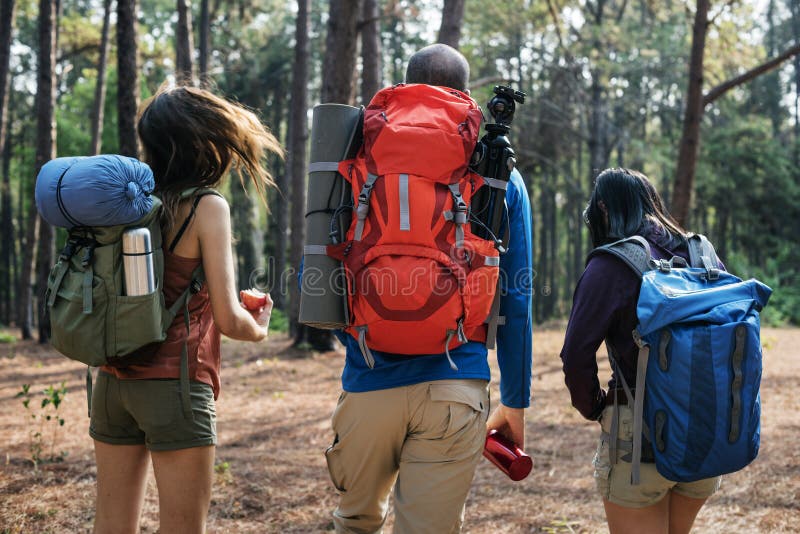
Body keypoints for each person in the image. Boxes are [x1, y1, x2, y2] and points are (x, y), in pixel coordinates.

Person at [323, 43, 534, 533]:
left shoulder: (356, 158)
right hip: (456, 387)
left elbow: (315, 270)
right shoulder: (498, 173)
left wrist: (363, 335)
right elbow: (517, 298)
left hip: (368, 382)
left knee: (355, 524)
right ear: (466, 96)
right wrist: (516, 401)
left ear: (406, 86)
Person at [89, 85, 282, 534]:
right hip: (175, 386)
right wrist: (259, 327)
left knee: (111, 525)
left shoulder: (127, 202)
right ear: (202, 142)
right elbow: (230, 319)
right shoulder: (206, 206)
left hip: (112, 382)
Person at [560, 168, 721, 534]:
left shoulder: (611, 264)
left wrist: (594, 407)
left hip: (639, 433)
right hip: (705, 428)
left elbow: (576, 355)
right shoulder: (702, 253)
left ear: (603, 209)